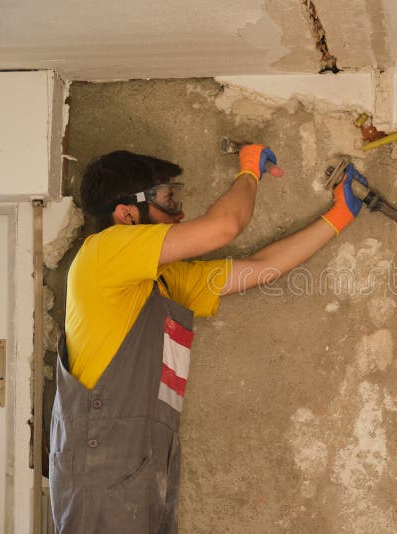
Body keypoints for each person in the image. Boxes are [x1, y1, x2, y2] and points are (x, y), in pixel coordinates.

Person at [49, 145, 367, 533]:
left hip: (142, 467)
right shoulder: (103, 252)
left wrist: (338, 216)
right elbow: (224, 227)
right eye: (168, 200)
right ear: (126, 214)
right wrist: (250, 169)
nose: (179, 214)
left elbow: (263, 268)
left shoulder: (161, 283)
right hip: (106, 473)